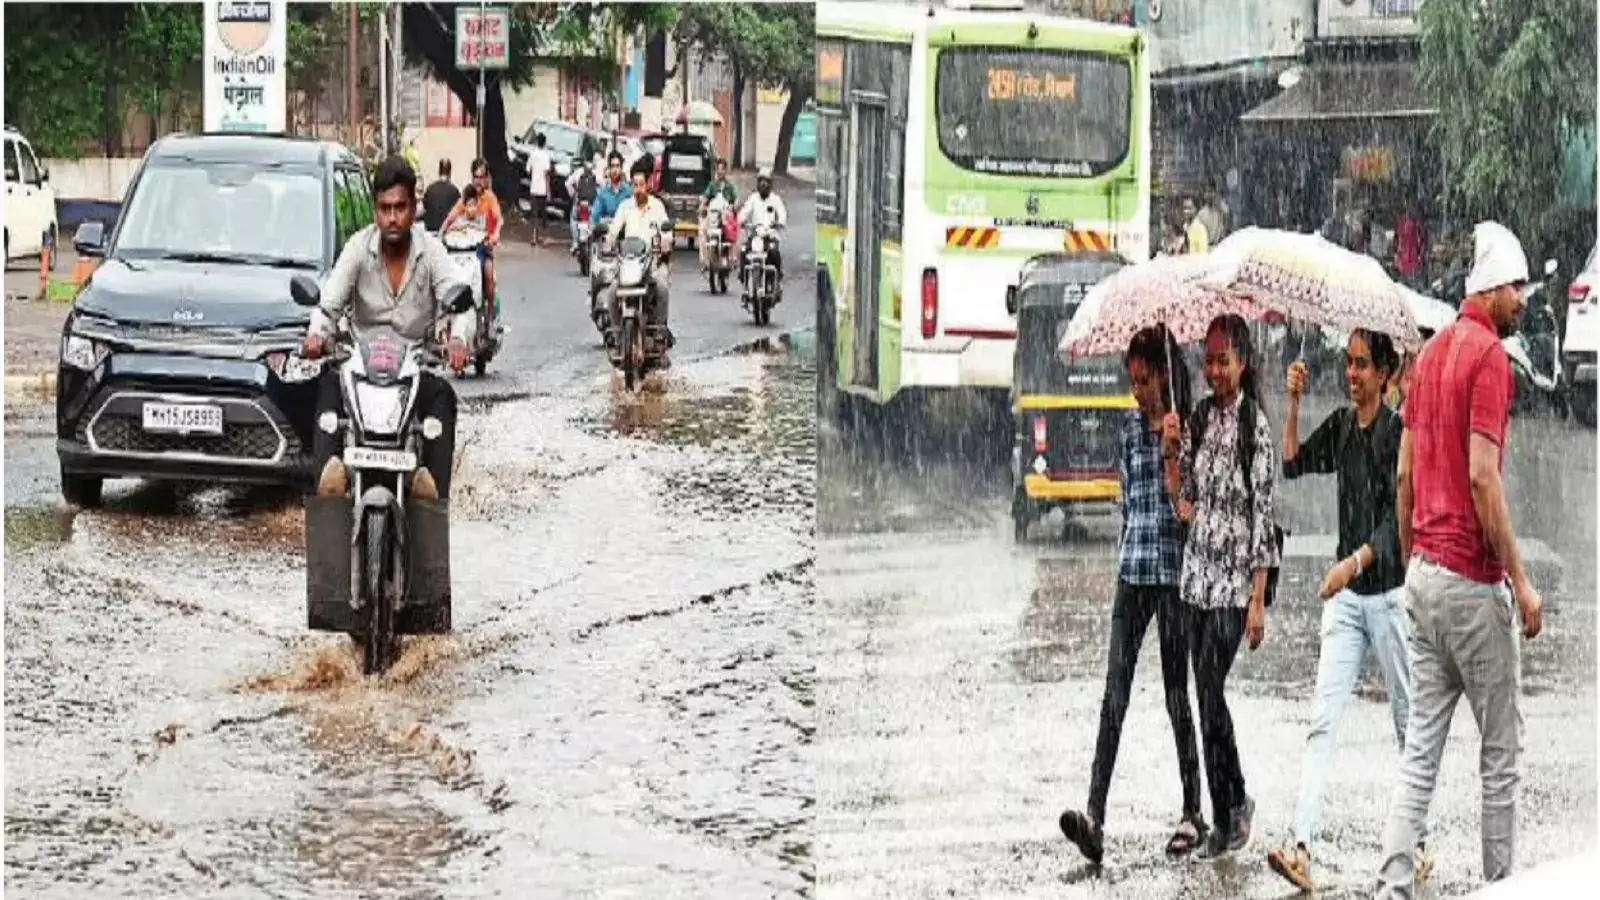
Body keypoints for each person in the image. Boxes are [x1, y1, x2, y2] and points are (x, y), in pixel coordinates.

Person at [1374, 222, 1544, 900]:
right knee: (1500, 754)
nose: (1523, 300)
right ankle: (1501, 888)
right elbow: (1481, 477)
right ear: (1492, 288)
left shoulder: (1432, 354)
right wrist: (1520, 582)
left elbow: (1403, 476)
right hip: (1472, 585)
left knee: (1420, 751)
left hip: (1423, 580)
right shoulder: (1489, 359)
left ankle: (1391, 885)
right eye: (1517, 288)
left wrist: (1414, 560)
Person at [1267, 331, 1433, 891]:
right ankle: (1302, 846)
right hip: (1346, 602)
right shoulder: (1341, 426)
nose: (1352, 373)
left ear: (1385, 374)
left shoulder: (1397, 435)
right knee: (1322, 721)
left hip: (1388, 598)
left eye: (1362, 364)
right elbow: (1292, 462)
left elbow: (1395, 526)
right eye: (1348, 363)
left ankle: (1418, 842)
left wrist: (1352, 564)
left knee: (1407, 722)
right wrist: (1293, 403)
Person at [1058, 324, 1208, 866]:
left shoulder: (1188, 429)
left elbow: (1190, 512)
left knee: (1176, 696)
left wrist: (1173, 455)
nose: (1137, 390)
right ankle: (1094, 816)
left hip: (1172, 578)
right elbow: (1127, 499)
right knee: (1113, 696)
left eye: (1144, 380)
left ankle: (1193, 811)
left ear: (1164, 375)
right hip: (1132, 574)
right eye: (1133, 381)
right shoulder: (1126, 427)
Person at [1160, 313, 1280, 859]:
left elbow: (1263, 517)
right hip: (1197, 580)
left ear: (1243, 362)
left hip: (1234, 584)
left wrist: (1257, 601)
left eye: (1223, 360)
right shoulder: (1200, 418)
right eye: (1208, 360)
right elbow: (1182, 499)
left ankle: (1233, 806)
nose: (1214, 370)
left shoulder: (1255, 426)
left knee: (1210, 688)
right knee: (1205, 694)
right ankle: (1228, 809)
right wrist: (1170, 452)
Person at [302, 156, 473, 502]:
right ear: (374, 210)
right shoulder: (357, 248)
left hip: (414, 368)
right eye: (384, 209)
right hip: (360, 370)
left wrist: (458, 338)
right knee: (325, 390)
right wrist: (317, 334)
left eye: (400, 207)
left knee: (442, 397)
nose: (392, 218)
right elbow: (328, 305)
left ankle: (431, 498)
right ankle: (329, 486)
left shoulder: (431, 252)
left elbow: (460, 300)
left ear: (414, 207)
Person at [608, 168, 674, 366]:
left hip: (652, 263)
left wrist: (663, 244)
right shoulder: (625, 207)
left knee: (662, 287)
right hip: (629, 264)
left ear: (648, 185)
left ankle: (659, 337)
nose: (638, 190)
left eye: (641, 185)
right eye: (634, 185)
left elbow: (666, 232)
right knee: (612, 292)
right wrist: (608, 240)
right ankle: (617, 339)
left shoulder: (657, 207)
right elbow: (613, 230)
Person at [440, 159, 503, 330]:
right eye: (476, 177)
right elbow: (450, 218)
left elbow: (499, 219)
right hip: (463, 251)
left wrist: (495, 234)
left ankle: (491, 317)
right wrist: (440, 234)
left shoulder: (490, 198)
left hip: (483, 249)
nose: (479, 181)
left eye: (482, 177)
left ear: (487, 178)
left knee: (488, 272)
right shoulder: (467, 196)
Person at [738, 168, 788, 285]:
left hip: (770, 236)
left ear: (770, 184)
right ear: (758, 183)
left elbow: (782, 213)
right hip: (755, 236)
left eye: (766, 181)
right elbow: (744, 211)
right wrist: (741, 220)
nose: (763, 184)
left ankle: (778, 275)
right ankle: (743, 277)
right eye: (761, 181)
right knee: (744, 250)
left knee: (774, 252)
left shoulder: (775, 199)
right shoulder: (753, 198)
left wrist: (779, 222)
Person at [698, 158, 738, 270]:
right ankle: (705, 261)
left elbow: (736, 199)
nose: (720, 171)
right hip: (713, 216)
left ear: (726, 171)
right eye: (718, 169)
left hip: (726, 216)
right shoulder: (712, 185)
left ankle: (733, 258)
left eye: (722, 169)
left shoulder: (730, 186)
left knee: (735, 230)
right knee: (702, 230)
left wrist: (733, 206)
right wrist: (703, 205)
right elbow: (705, 197)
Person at [525, 132, 553, 247]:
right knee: (544, 215)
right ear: (544, 143)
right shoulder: (546, 156)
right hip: (542, 189)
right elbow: (547, 174)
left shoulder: (532, 155)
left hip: (533, 188)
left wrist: (533, 177)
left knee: (534, 214)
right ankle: (545, 238)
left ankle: (533, 238)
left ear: (537, 142)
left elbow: (528, 169)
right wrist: (548, 190)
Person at [420, 159, 460, 234]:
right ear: (450, 172)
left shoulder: (430, 189)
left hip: (430, 232)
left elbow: (423, 208)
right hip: (446, 233)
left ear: (439, 171)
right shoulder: (454, 191)